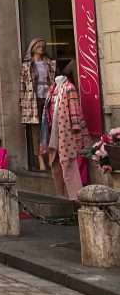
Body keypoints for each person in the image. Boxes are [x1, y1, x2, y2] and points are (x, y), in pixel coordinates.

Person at [43, 61, 88, 200]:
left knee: (68, 161)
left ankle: (75, 196)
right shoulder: (51, 89)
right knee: (55, 162)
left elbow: (74, 109)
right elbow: (47, 112)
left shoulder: (69, 88)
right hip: (53, 130)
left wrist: (75, 128)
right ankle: (61, 194)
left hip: (66, 130)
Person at [20, 37, 55, 171]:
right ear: (33, 48)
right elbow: (22, 86)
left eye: (43, 45)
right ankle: (40, 159)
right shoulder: (26, 66)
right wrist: (22, 106)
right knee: (36, 131)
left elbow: (53, 81)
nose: (42, 48)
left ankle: (51, 157)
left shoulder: (49, 64)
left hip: (48, 99)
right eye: (39, 45)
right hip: (33, 101)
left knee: (50, 128)